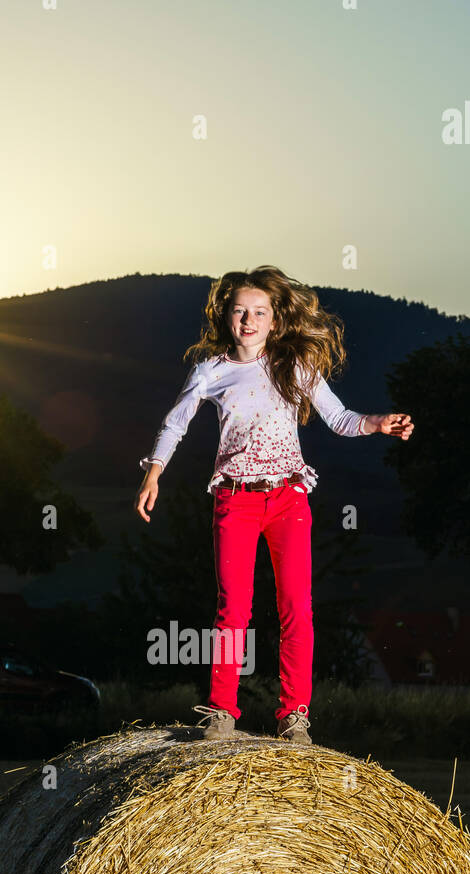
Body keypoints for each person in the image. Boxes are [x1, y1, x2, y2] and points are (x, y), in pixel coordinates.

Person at [133, 265, 413, 744]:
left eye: (259, 312)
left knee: (296, 610)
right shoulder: (211, 372)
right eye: (240, 311)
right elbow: (175, 424)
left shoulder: (295, 367)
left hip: (288, 499)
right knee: (232, 611)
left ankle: (294, 715)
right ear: (226, 316)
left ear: (274, 321)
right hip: (234, 501)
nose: (249, 319)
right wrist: (154, 472)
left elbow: (341, 419)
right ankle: (221, 711)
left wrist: (378, 422)